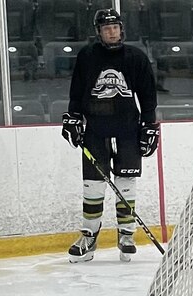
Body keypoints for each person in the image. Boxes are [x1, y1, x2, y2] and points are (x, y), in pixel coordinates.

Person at [61, 9, 158, 264]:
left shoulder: (136, 57)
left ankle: (126, 234)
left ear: (121, 29)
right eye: (106, 28)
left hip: (128, 129)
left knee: (126, 183)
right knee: (92, 187)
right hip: (95, 130)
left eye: (115, 27)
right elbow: (77, 93)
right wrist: (73, 118)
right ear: (99, 32)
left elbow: (148, 96)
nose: (111, 32)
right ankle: (89, 237)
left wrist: (149, 125)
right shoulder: (87, 56)